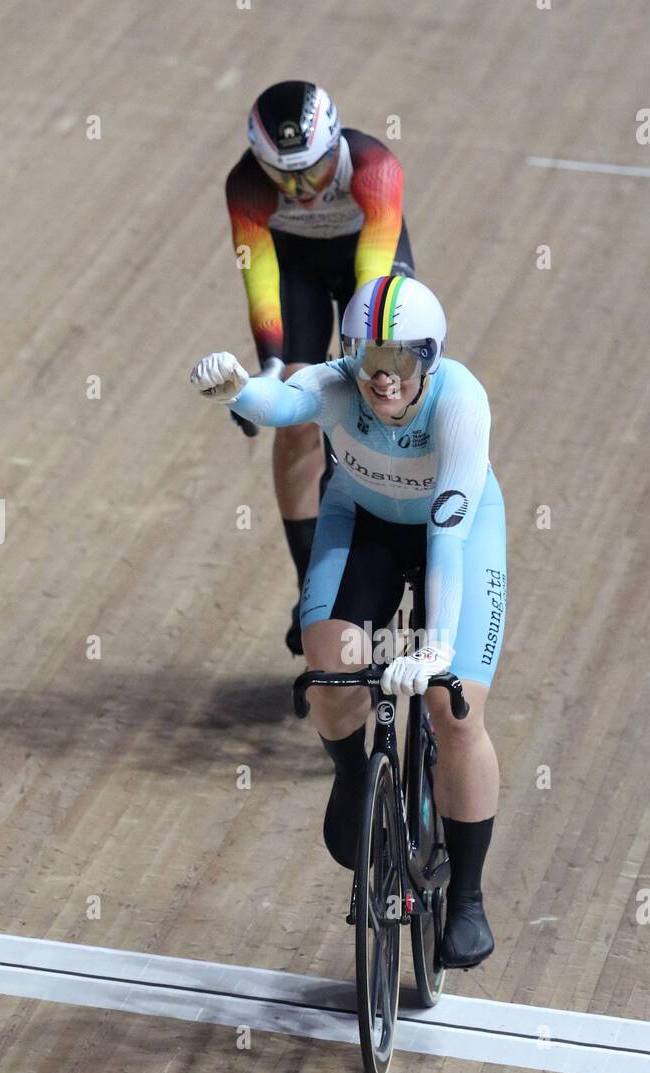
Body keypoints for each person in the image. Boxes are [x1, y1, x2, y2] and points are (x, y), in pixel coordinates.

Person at [190, 275, 506, 970]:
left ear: (430, 359)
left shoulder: (461, 402)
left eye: (399, 360)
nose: (382, 377)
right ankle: (354, 777)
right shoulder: (339, 384)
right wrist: (237, 390)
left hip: (455, 535)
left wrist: (437, 648)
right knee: (329, 673)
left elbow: (447, 535)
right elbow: (284, 402)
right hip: (361, 522)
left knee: (455, 711)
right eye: (367, 357)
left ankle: (468, 898)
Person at [226, 80, 415, 655]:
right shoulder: (245, 184)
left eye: (312, 171)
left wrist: (366, 362)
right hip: (296, 270)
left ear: (335, 146)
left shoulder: (374, 165)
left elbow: (372, 286)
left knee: (387, 392)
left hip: (369, 257)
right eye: (283, 178)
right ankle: (312, 585)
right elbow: (260, 279)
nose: (301, 190)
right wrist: (269, 371)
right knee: (294, 412)